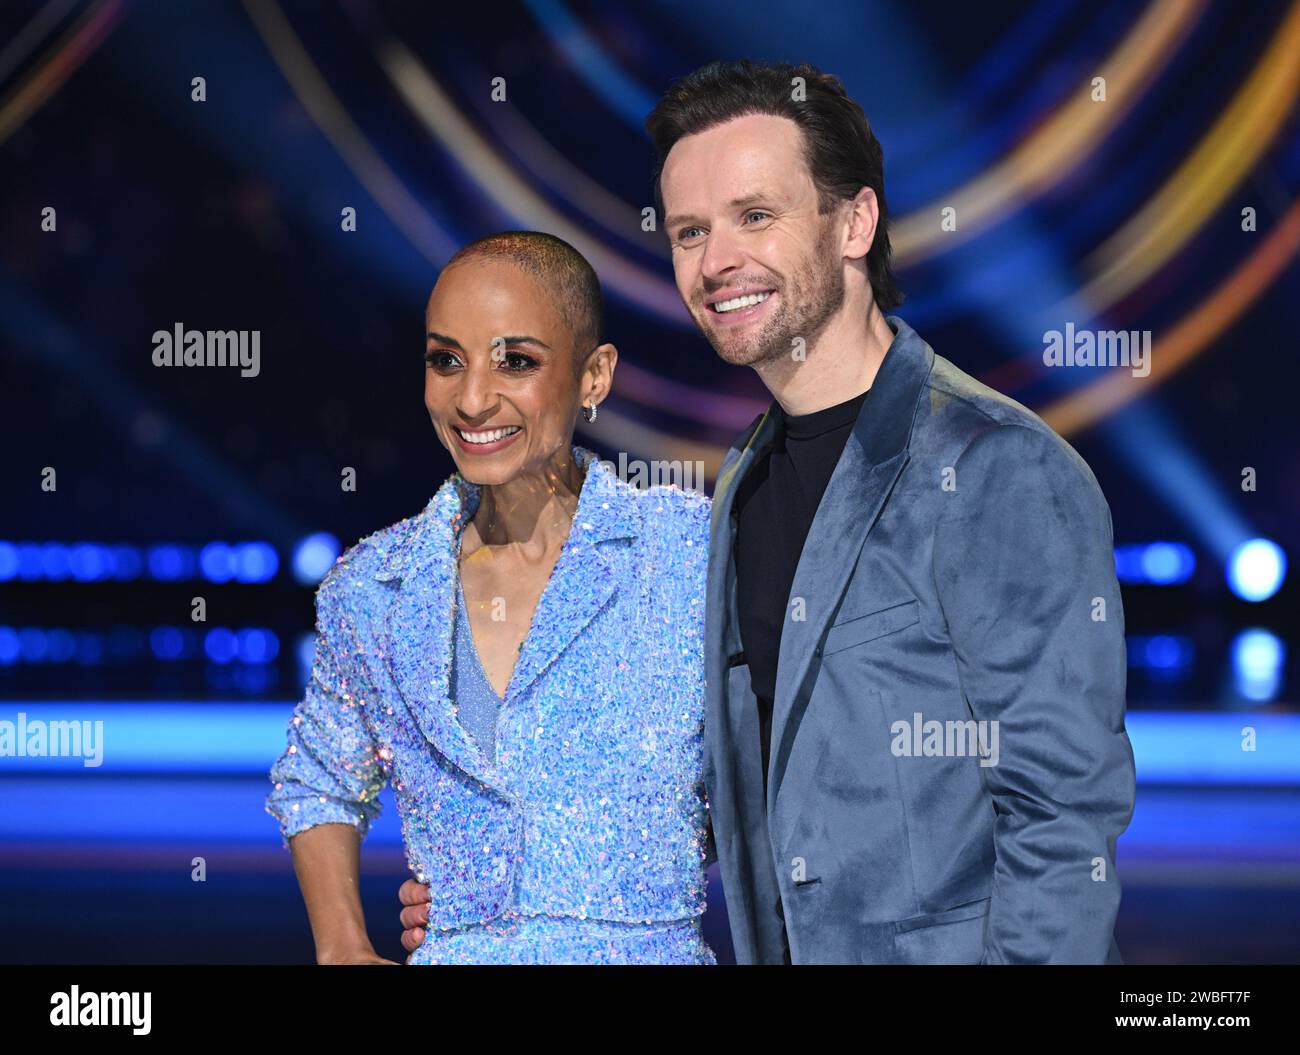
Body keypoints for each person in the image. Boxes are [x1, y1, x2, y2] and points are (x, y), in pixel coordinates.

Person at [405, 60, 1137, 965]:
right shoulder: (743, 485)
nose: (716, 262)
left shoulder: (996, 466)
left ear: (855, 223)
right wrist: (500, 886)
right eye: (689, 231)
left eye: (756, 216)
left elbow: (1063, 820)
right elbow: (750, 796)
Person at [266, 231, 716, 965]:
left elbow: (773, 781)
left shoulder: (685, 552)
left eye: (516, 361)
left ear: (594, 375)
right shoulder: (375, 588)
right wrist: (343, 944)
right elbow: (318, 777)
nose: (472, 399)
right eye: (447, 360)